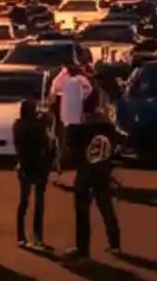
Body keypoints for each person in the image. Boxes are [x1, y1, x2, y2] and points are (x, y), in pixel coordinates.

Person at [64, 93, 123, 262]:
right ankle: (115, 243)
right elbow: (115, 146)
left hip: (85, 171)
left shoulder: (79, 127)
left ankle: (83, 249)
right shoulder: (107, 125)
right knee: (106, 207)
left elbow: (72, 151)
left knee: (82, 212)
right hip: (102, 170)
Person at [13, 99, 53, 249]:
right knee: (39, 203)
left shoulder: (17, 125)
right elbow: (46, 144)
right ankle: (37, 237)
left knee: (23, 202)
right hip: (38, 166)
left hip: (24, 166)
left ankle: (21, 236)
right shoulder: (38, 126)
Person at [49, 62, 93, 181]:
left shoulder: (66, 80)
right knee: (76, 146)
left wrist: (62, 74)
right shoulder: (80, 80)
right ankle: (78, 169)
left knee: (65, 144)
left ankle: (64, 167)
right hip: (76, 119)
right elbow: (89, 91)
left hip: (66, 120)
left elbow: (54, 89)